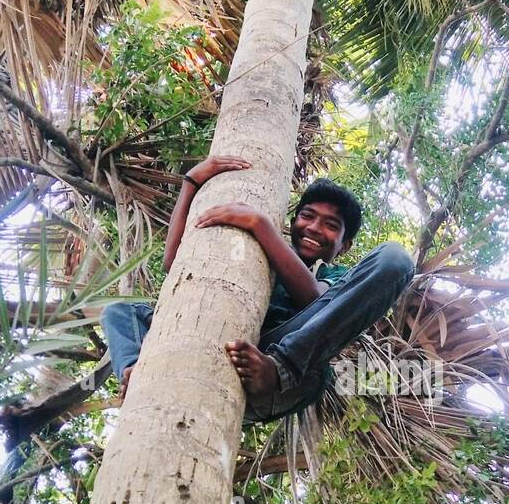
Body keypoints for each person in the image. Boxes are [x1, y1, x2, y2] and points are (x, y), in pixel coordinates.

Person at [99, 158, 415, 422]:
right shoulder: (257, 255)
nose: (315, 228)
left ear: (344, 247)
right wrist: (191, 183)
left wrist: (259, 224)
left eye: (331, 225)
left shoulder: (336, 274)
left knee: (395, 259)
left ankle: (281, 368)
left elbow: (314, 298)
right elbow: (174, 265)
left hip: (284, 368)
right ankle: (135, 372)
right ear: (294, 222)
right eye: (308, 216)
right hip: (218, 341)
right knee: (120, 311)